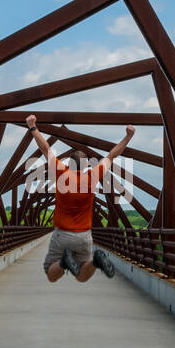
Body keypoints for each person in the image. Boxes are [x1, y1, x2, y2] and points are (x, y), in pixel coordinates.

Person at [27, 113, 134, 282]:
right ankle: (96, 261)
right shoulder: (92, 177)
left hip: (62, 234)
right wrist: (128, 137)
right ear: (86, 166)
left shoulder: (62, 173)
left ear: (69, 163)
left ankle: (63, 262)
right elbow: (112, 156)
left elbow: (45, 149)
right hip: (84, 236)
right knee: (82, 276)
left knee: (51, 273)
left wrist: (32, 126)